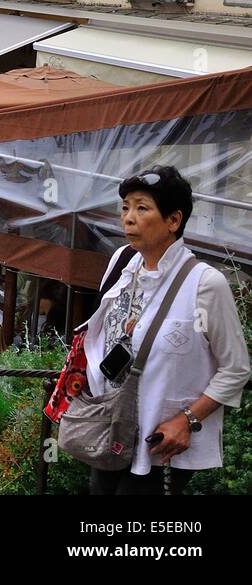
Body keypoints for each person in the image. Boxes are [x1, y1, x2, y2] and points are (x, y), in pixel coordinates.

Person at [81, 166, 249, 495]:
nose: (128, 217)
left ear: (173, 220)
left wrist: (187, 419)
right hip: (110, 428)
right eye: (125, 207)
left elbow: (236, 368)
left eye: (142, 208)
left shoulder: (204, 283)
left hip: (161, 444)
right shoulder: (121, 263)